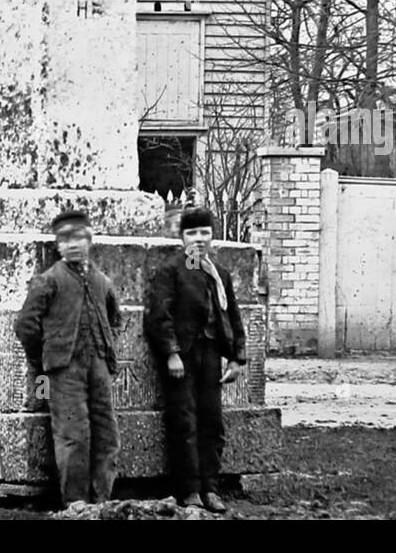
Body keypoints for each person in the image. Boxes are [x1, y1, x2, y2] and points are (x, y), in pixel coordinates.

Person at [13, 209, 123, 507]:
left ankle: (102, 502)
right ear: (58, 246)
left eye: (79, 239)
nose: (73, 245)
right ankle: (76, 505)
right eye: (66, 240)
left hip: (98, 366)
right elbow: (25, 325)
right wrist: (43, 360)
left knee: (107, 434)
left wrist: (107, 346)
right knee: (74, 435)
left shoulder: (102, 281)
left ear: (90, 240)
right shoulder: (48, 281)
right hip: (62, 371)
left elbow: (115, 318)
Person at [143, 205, 247, 512]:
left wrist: (237, 358)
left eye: (204, 232)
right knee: (184, 422)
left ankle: (211, 489)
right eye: (192, 233)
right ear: (181, 237)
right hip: (183, 360)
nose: (199, 239)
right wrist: (172, 353)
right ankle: (189, 490)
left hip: (211, 356)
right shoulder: (171, 271)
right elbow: (158, 316)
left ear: (212, 235)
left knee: (212, 422)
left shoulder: (220, 274)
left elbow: (232, 317)